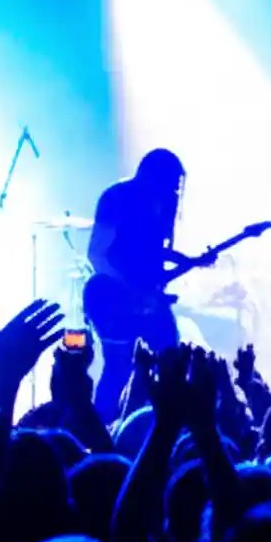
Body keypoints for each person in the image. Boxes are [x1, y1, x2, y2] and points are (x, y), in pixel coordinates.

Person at [84, 149, 214, 422]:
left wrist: (192, 261)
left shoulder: (164, 205)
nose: (176, 189)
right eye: (172, 182)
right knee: (118, 368)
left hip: (148, 299)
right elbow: (97, 253)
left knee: (171, 358)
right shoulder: (116, 199)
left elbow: (154, 252)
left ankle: (167, 426)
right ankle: (100, 432)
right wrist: (128, 290)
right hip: (112, 301)